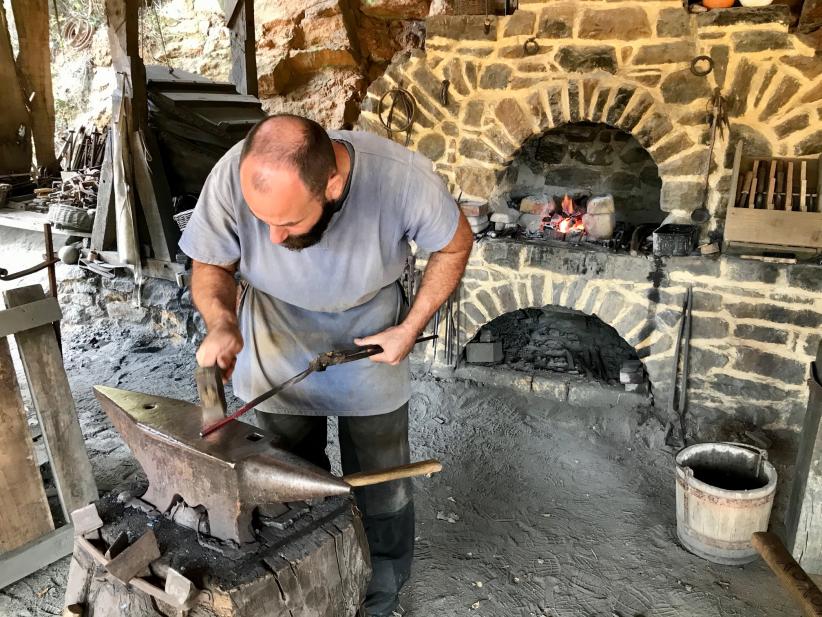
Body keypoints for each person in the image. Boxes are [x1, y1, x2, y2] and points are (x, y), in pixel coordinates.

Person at [179, 114, 472, 616]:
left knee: (382, 477)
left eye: (288, 222)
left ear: (332, 185)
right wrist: (223, 322)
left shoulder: (401, 178)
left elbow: (455, 243)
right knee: (287, 476)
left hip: (369, 335)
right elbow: (211, 263)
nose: (272, 238)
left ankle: (380, 592)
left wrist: (409, 326)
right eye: (263, 220)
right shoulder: (234, 175)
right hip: (274, 330)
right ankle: (307, 584)